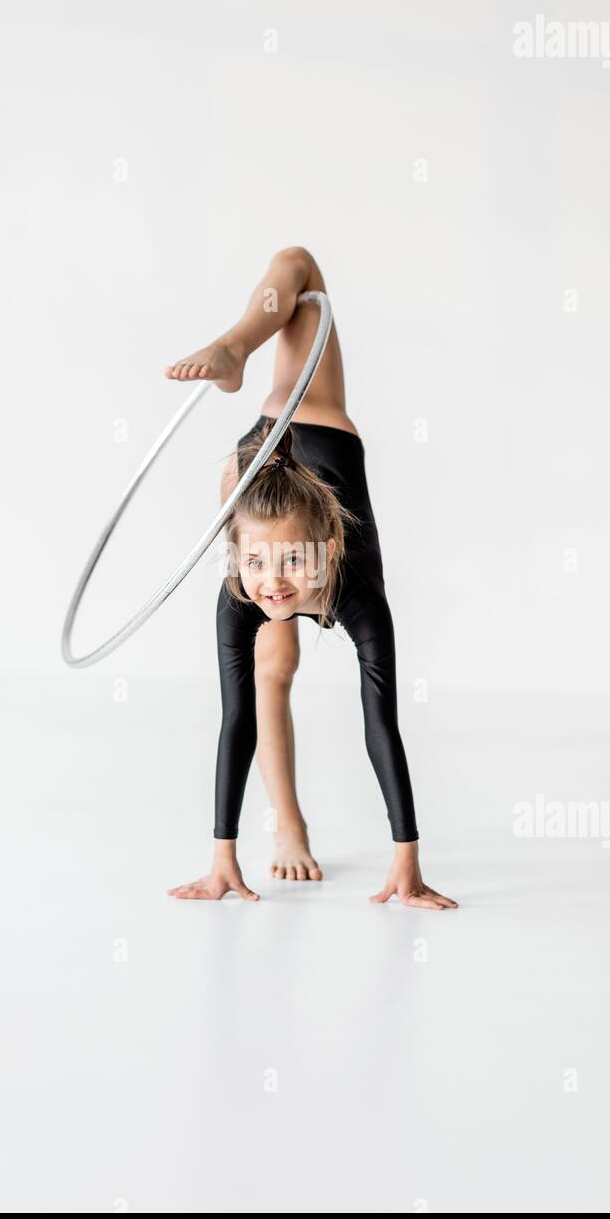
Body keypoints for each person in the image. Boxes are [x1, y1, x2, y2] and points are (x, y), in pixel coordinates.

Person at [164, 247, 457, 910]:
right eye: (257, 568)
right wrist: (221, 860)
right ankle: (287, 825)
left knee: (297, 264)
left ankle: (239, 351)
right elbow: (232, 719)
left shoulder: (355, 592)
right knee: (270, 664)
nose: (270, 584)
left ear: (327, 551)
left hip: (313, 424)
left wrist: (406, 860)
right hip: (253, 474)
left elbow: (380, 721)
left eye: (296, 563)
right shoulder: (246, 583)